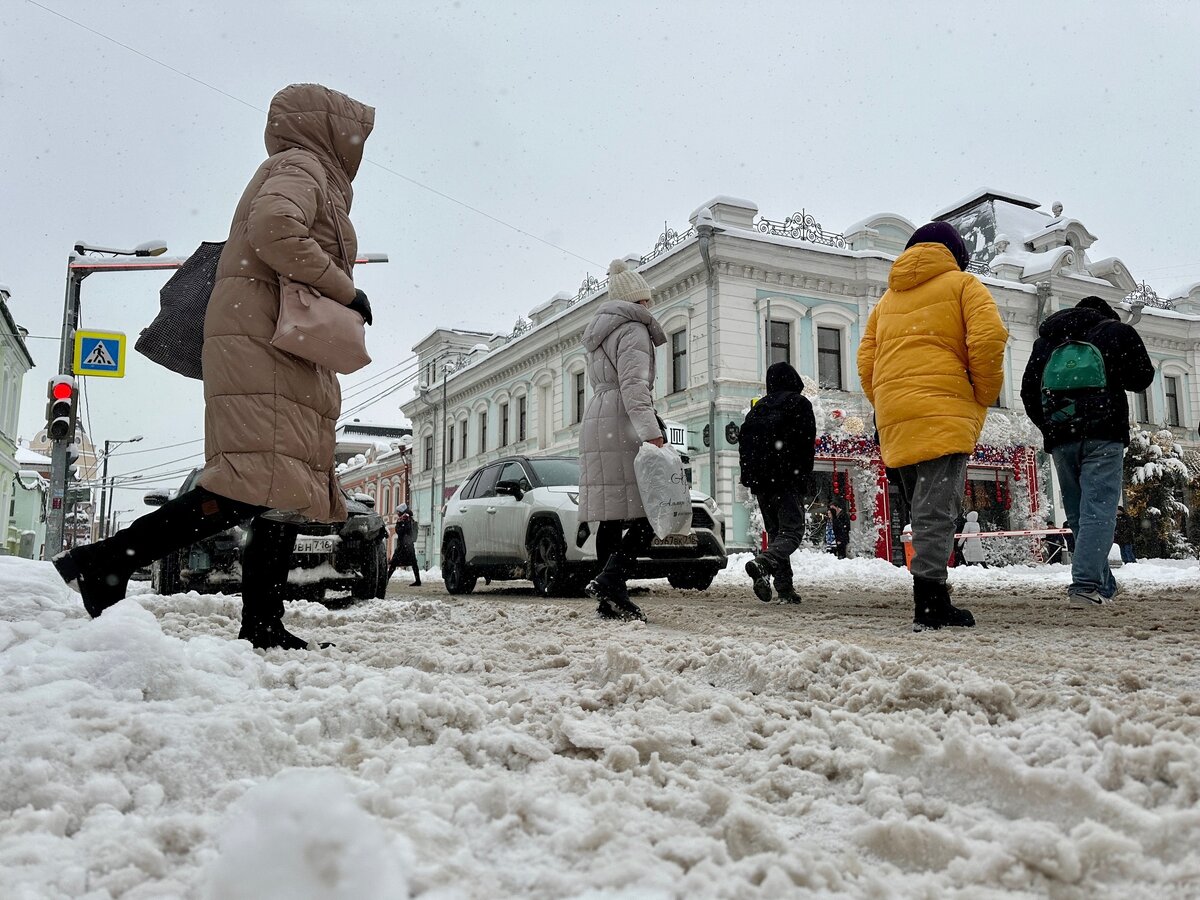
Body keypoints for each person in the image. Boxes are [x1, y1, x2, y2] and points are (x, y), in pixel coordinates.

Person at [53, 84, 376, 649]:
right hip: (265, 344)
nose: (360, 148)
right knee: (247, 486)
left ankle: (262, 623)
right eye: (355, 135)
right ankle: (105, 560)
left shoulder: (308, 171)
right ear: (330, 129)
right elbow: (276, 228)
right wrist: (344, 289)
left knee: (281, 491)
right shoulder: (303, 165)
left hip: (281, 343)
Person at [857, 221, 1008, 631]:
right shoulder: (964, 286)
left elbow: (865, 362)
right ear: (956, 254)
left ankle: (931, 596)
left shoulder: (886, 301)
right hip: (944, 409)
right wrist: (982, 391)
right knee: (936, 511)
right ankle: (930, 604)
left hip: (895, 418)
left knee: (920, 510)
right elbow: (989, 339)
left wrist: (887, 400)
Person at [1020, 296, 1153, 606]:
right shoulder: (1114, 332)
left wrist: (1053, 426)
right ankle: (1084, 587)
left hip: (1062, 439)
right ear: (1104, 313)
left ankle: (1102, 584)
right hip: (1103, 434)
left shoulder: (1047, 341)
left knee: (1080, 513)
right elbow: (1142, 377)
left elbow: (1029, 392)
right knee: (1100, 509)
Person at [577, 259, 668, 622]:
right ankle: (611, 580)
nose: (650, 306)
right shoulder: (633, 330)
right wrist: (652, 433)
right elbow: (634, 386)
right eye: (647, 300)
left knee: (610, 517)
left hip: (598, 418)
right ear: (637, 301)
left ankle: (608, 598)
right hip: (624, 422)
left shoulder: (601, 334)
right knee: (651, 511)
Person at [738, 361, 816, 604]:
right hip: (787, 478)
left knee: (776, 532)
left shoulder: (758, 409)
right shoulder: (799, 404)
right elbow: (805, 445)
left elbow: (744, 445)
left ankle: (784, 588)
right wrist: (802, 477)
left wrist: (751, 480)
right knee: (792, 531)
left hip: (762, 483)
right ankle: (765, 562)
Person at [387, 503, 421, 586]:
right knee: (413, 563)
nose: (397, 514)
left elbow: (400, 531)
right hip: (409, 545)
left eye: (398, 512)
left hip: (403, 545)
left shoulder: (404, 519)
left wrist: (399, 523)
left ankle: (385, 580)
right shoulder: (410, 518)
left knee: (394, 563)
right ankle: (418, 580)